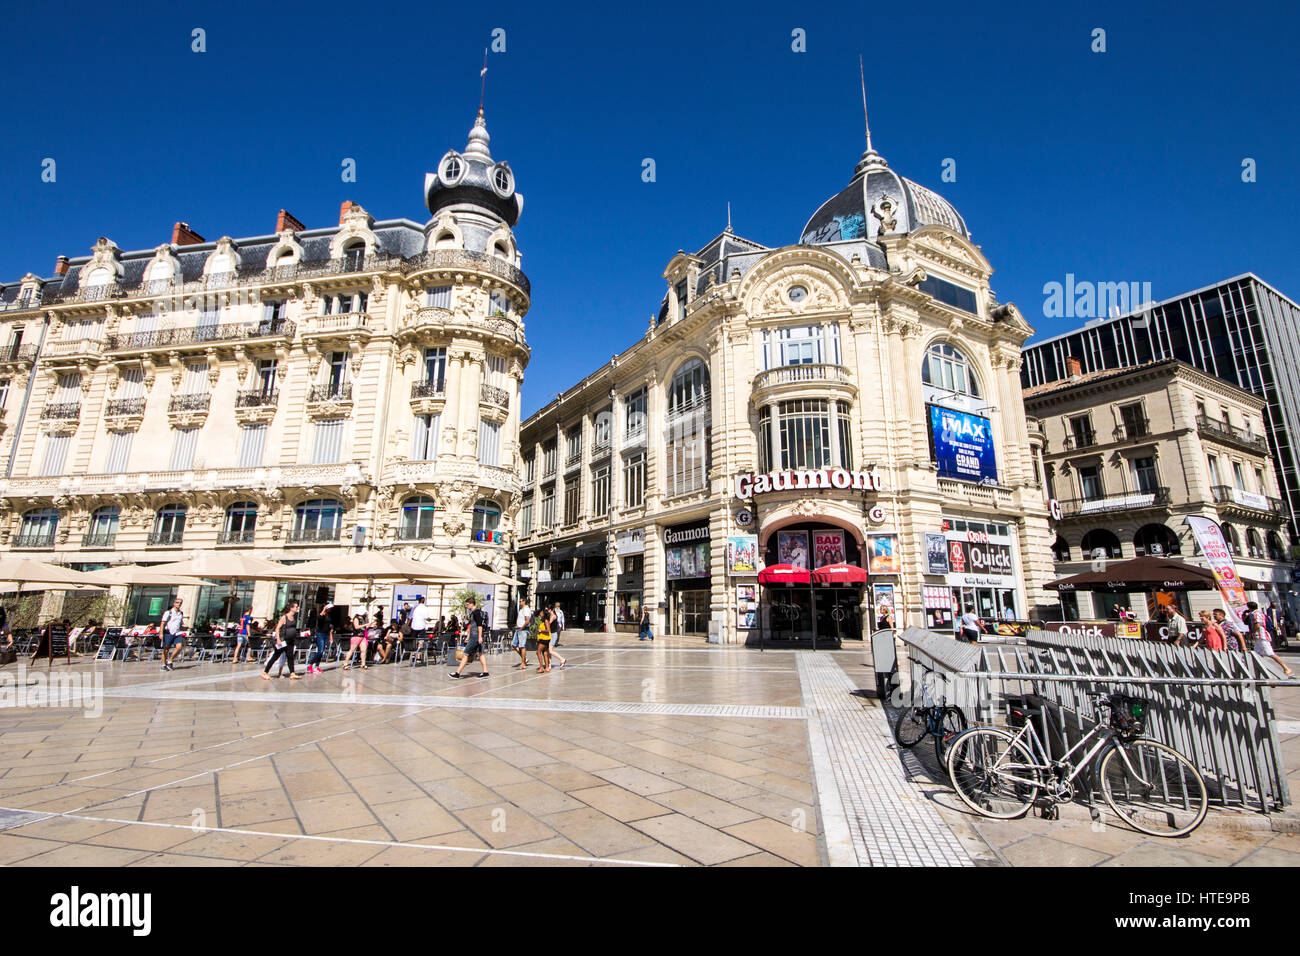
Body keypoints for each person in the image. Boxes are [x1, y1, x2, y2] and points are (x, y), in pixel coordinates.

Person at [1247, 600, 1293, 677]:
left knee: (1269, 653)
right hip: (1259, 636)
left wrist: (1251, 632)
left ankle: (1286, 668)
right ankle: (1258, 671)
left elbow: (1257, 625)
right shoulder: (1259, 613)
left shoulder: (1255, 614)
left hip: (1261, 636)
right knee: (1257, 654)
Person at [261, 601, 303, 680]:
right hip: (283, 641)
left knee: (290, 657)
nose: (297, 608)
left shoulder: (294, 618)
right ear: (291, 608)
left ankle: (292, 673)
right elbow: (277, 628)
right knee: (275, 656)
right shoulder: (284, 617)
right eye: (296, 607)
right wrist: (278, 639)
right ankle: (265, 672)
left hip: (290, 640)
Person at [451, 598, 490, 679]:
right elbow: (471, 626)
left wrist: (479, 636)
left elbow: (479, 625)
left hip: (475, 636)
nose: (466, 606)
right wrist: (468, 636)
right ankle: (485, 672)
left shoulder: (476, 612)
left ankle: (457, 673)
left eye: (467, 604)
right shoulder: (473, 613)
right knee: (480, 654)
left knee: (465, 653)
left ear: (472, 604)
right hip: (473, 636)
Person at [306, 601, 333, 675]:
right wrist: (324, 609)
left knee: (322, 651)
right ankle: (310, 664)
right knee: (320, 651)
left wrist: (331, 636)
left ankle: (317, 666)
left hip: (326, 634)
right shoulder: (321, 614)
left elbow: (330, 626)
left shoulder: (328, 615)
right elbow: (320, 618)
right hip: (320, 634)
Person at [160, 598, 186, 671]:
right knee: (166, 649)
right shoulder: (169, 612)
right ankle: (163, 664)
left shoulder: (181, 613)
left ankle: (170, 660)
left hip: (177, 633)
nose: (179, 604)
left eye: (180, 603)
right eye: (177, 602)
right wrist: (161, 633)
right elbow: (162, 623)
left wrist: (183, 627)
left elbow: (180, 623)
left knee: (179, 647)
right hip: (169, 632)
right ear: (174, 603)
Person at [512, 601, 533, 669]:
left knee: (522, 646)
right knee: (514, 644)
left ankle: (523, 663)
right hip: (518, 629)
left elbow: (527, 620)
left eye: (521, 601)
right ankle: (524, 659)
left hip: (523, 629)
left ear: (524, 602)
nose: (520, 602)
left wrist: (522, 627)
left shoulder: (526, 609)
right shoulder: (521, 609)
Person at [534, 604, 555, 672]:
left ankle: (541, 667)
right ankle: (547, 667)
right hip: (543, 638)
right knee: (545, 652)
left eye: (541, 613)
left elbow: (548, 630)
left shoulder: (546, 621)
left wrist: (540, 630)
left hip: (545, 639)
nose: (540, 614)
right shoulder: (543, 621)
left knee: (538, 652)